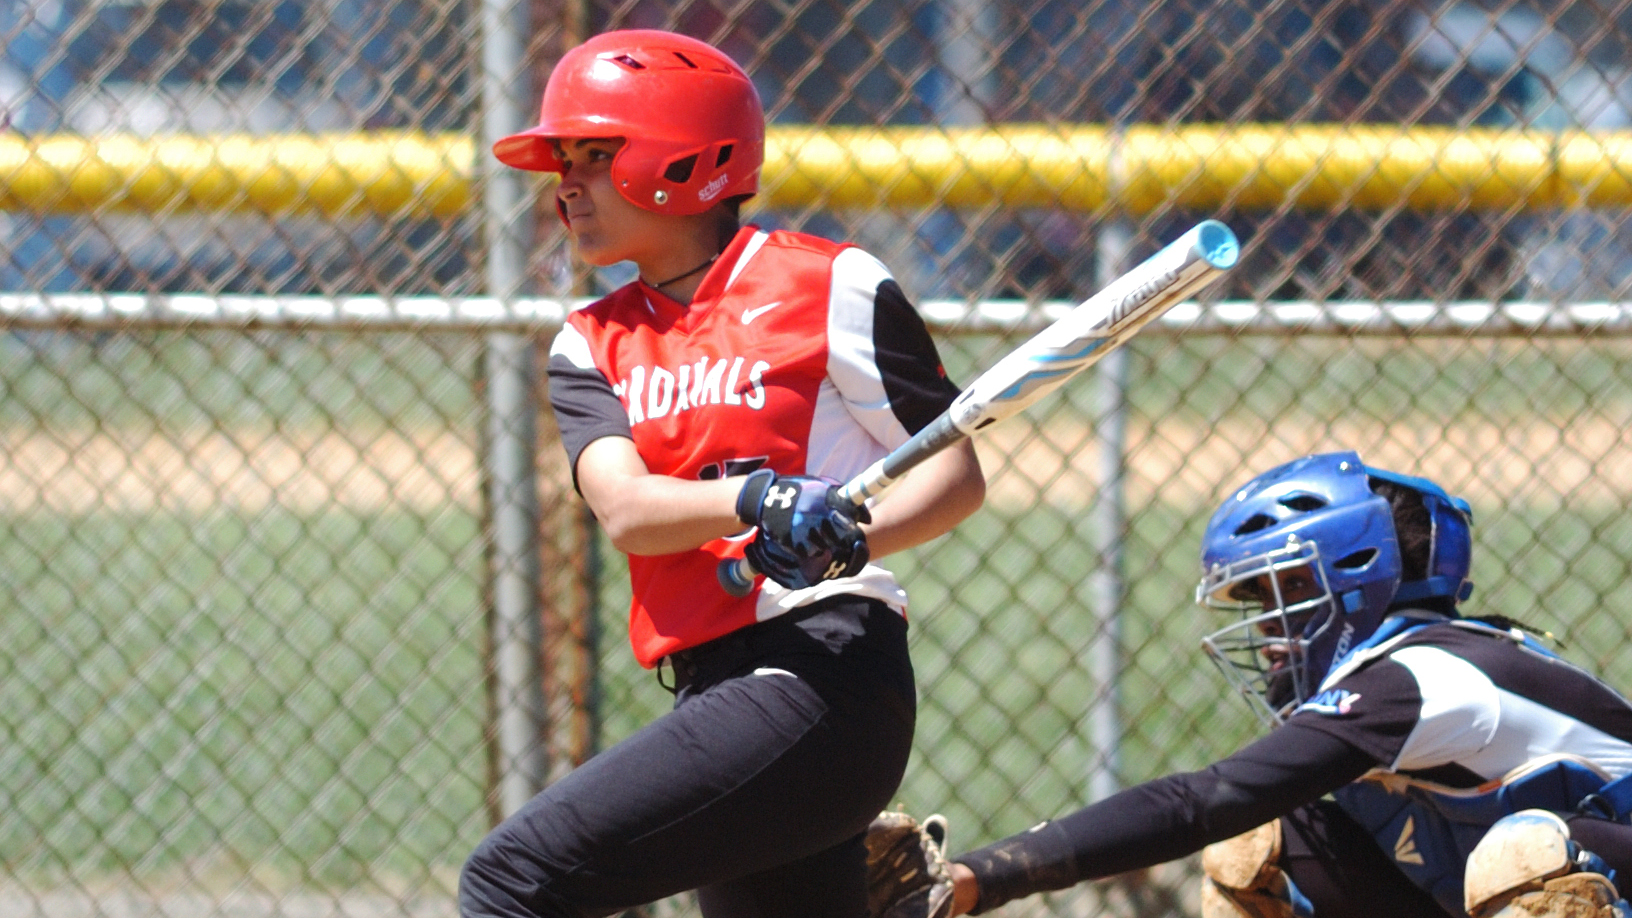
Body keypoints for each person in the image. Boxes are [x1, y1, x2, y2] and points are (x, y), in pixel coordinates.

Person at [459, 29, 985, 918]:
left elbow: (955, 474)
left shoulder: (830, 285)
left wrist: (851, 543)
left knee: (513, 879)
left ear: (683, 158)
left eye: (596, 155)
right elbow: (626, 509)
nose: (567, 188)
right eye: (564, 163)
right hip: (718, 688)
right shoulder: (590, 342)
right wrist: (757, 497)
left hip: (823, 672)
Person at [868, 450, 1632, 918]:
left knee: (1528, 860)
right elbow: (1232, 816)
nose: (1269, 632)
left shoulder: (1422, 679)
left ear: (1359, 579)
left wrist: (976, 879)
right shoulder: (1394, 681)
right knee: (1258, 847)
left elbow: (1202, 798)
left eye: (1285, 595)